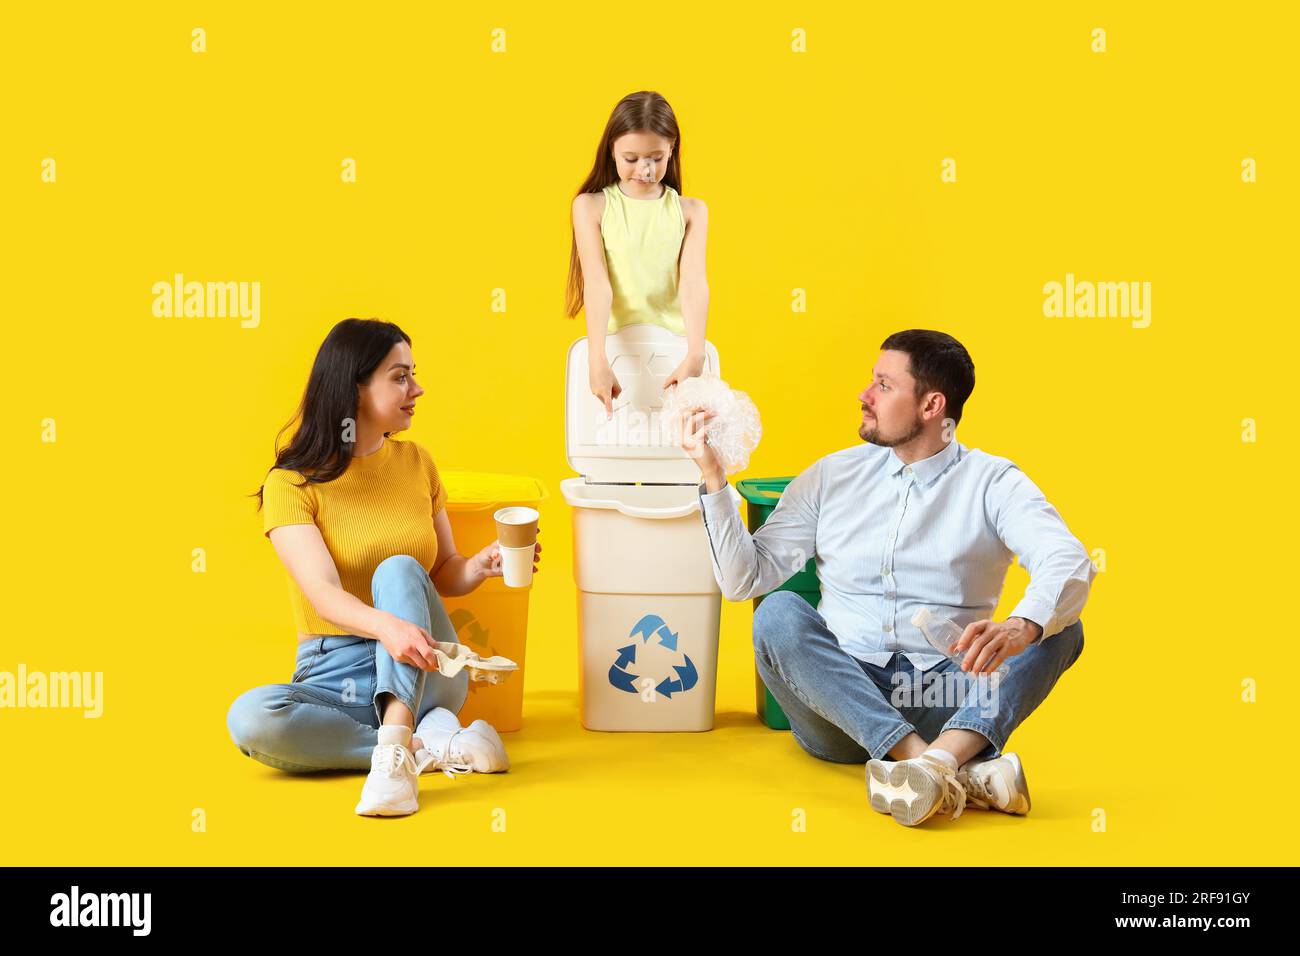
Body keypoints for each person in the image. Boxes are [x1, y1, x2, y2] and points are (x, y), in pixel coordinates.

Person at [680, 329, 1094, 827]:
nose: (864, 395)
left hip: (949, 694)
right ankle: (942, 764)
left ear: (931, 405)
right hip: (840, 703)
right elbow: (744, 579)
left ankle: (931, 766)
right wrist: (712, 474)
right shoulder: (831, 477)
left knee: (1060, 627)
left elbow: (1066, 559)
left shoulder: (993, 482)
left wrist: (1021, 625)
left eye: (883, 384)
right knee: (777, 612)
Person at [226, 318, 542, 817]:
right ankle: (434, 746)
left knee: (398, 568)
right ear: (354, 387)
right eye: (399, 377)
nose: (416, 389)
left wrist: (481, 566)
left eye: (413, 374)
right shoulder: (291, 485)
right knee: (251, 719)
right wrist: (385, 628)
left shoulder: (417, 463)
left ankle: (395, 748)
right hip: (334, 673)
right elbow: (323, 594)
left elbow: (440, 573)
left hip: (425, 664)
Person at [566, 90, 710, 417]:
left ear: (672, 149)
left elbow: (693, 283)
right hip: (615, 352)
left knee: (678, 459)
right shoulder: (591, 206)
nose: (644, 171)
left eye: (656, 158)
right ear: (611, 151)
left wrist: (695, 353)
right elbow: (598, 284)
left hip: (674, 354)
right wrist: (597, 357)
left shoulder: (692, 211)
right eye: (631, 159)